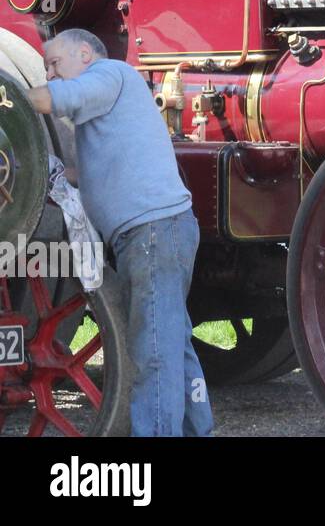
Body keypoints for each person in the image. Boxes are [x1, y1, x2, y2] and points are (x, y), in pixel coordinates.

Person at [27, 28, 213, 437]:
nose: (52, 75)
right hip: (158, 231)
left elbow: (57, 99)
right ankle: (199, 430)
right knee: (172, 343)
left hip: (151, 233)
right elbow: (85, 176)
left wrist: (11, 99)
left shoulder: (110, 74)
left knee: (153, 351)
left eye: (56, 64)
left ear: (85, 55)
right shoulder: (106, 109)